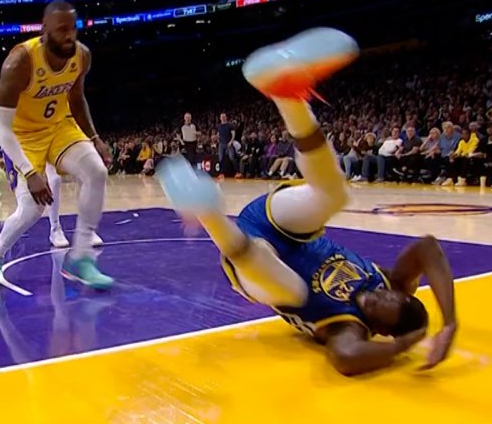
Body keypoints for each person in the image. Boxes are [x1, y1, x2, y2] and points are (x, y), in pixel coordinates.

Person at [157, 28, 457, 374]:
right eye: (390, 295)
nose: (376, 295)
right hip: (285, 227)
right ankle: (287, 95)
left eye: (377, 306)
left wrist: (404, 347)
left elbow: (345, 359)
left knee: (289, 290)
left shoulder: (348, 327)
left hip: (252, 257)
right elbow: (428, 247)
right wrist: (448, 322)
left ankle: (206, 209)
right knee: (336, 194)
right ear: (404, 293)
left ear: (381, 331)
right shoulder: (392, 283)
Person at [0, 0, 113, 292]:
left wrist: (94, 138)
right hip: (24, 136)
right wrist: (29, 171)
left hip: (60, 128)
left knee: (96, 171)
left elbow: (76, 100)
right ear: (44, 30)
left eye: (73, 29)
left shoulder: (81, 56)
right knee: (31, 210)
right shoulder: (20, 61)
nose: (69, 36)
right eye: (62, 30)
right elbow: (0, 125)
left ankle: (81, 257)